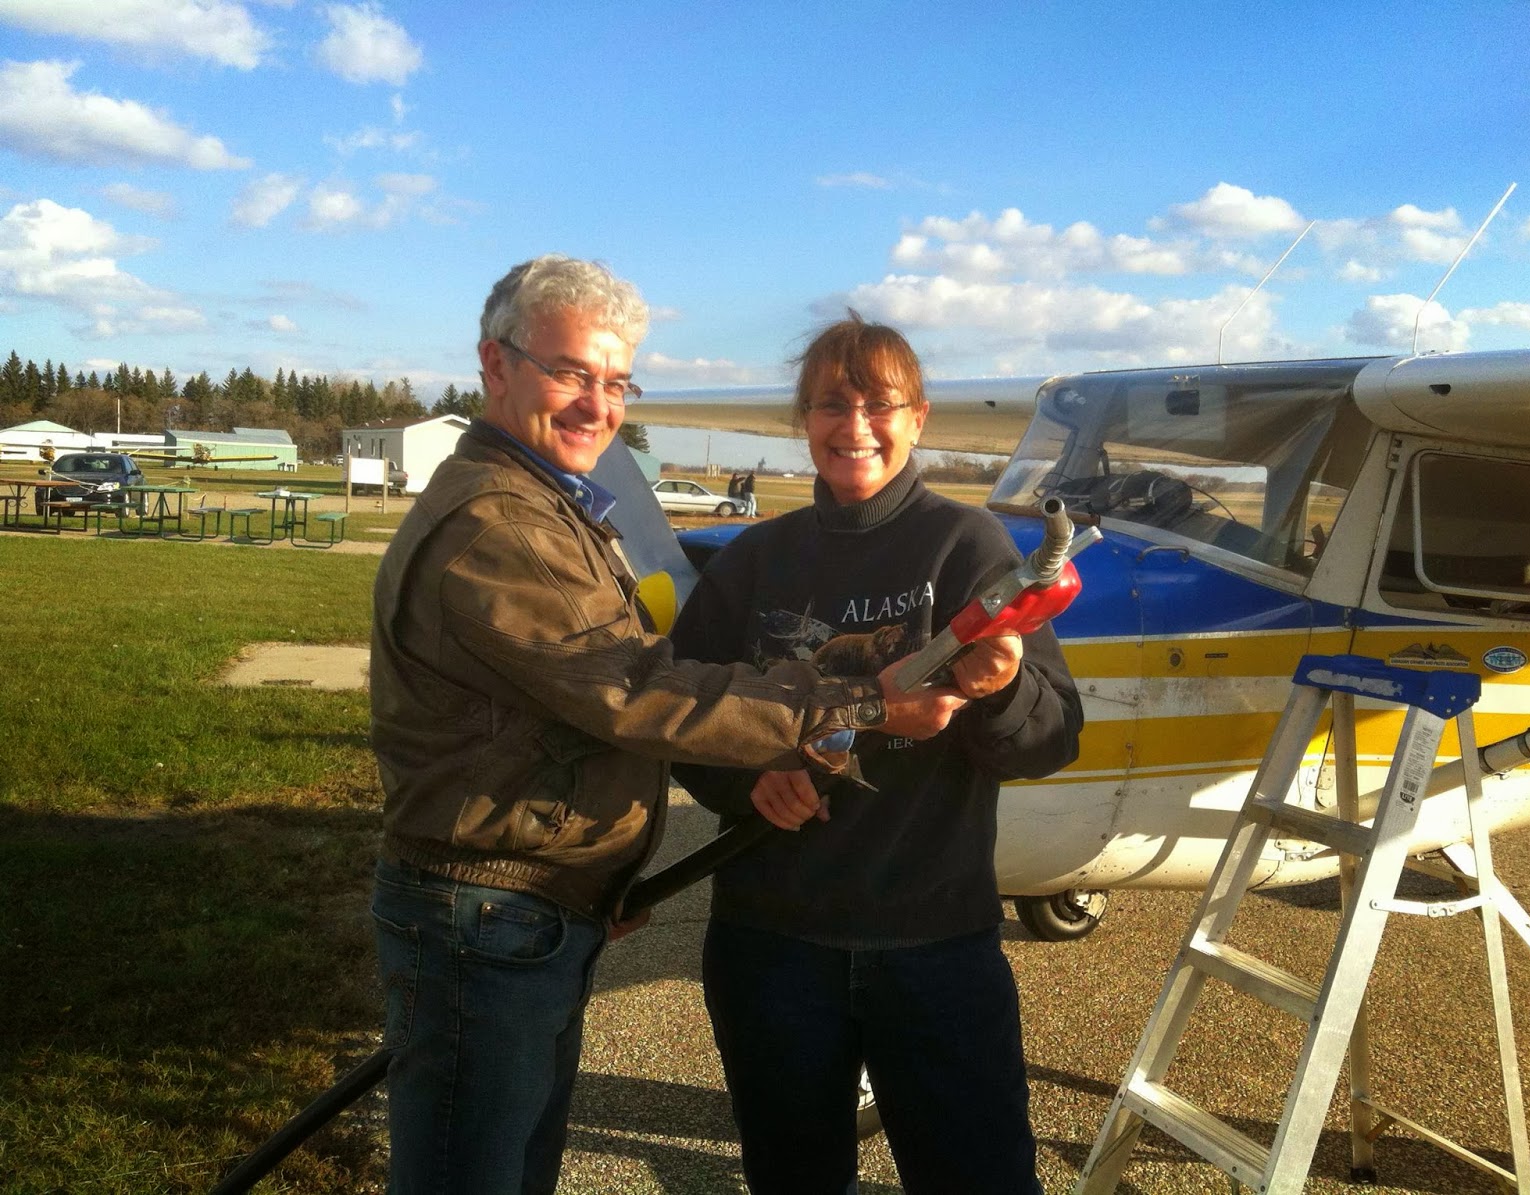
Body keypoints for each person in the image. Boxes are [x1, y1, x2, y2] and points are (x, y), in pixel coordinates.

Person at [367, 259, 969, 1195]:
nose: (595, 405)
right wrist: (859, 703)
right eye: (570, 373)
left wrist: (596, 867)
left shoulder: (543, 499)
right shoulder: (501, 522)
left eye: (615, 383)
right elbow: (638, 689)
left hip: (528, 901)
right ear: (496, 366)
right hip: (487, 915)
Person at [670, 313, 1083, 1195]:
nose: (854, 425)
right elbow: (680, 718)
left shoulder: (970, 547)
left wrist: (1001, 687)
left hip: (935, 947)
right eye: (830, 404)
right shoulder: (755, 560)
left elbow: (1052, 739)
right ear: (803, 419)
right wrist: (751, 778)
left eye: (878, 404)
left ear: (919, 417)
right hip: (771, 947)